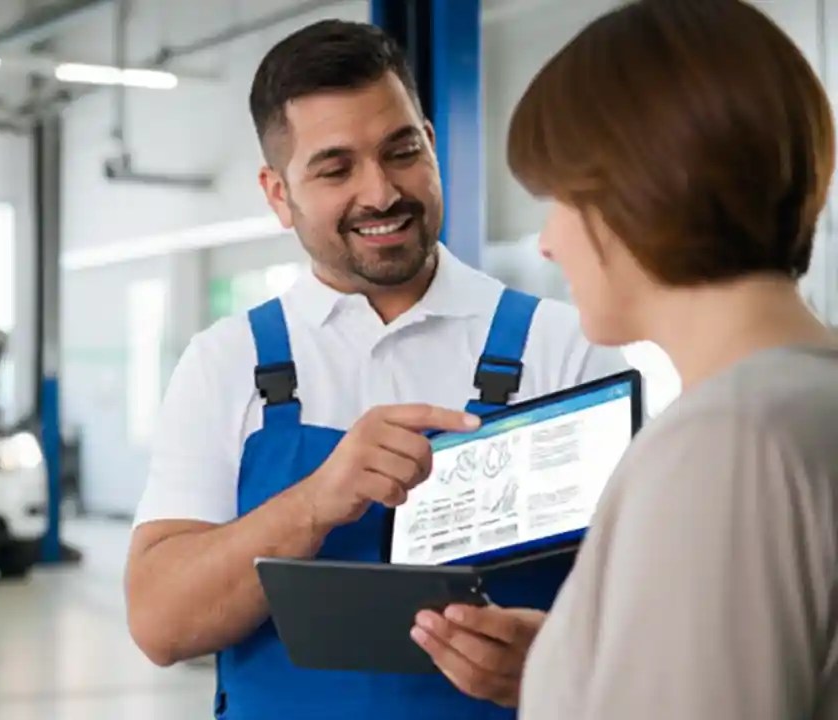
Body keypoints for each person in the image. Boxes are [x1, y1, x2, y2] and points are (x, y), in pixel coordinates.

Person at [124, 19, 628, 718]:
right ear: (278, 194)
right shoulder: (225, 363)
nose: (382, 192)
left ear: (431, 143)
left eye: (402, 151)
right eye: (336, 169)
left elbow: (652, 607)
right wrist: (314, 502)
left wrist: (558, 658)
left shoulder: (565, 347)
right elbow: (160, 624)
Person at [410, 1, 838, 716]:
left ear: (641, 191)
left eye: (561, 200)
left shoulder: (724, 443)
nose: (547, 242)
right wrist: (574, 665)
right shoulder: (803, 402)